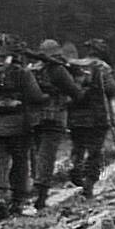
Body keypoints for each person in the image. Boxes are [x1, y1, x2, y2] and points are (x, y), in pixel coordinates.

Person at [0, 33, 45, 219]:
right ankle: (18, 200)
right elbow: (35, 96)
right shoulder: (23, 72)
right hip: (18, 126)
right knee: (20, 161)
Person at [28, 39, 82, 211]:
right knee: (47, 155)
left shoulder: (33, 69)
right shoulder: (58, 69)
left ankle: (37, 187)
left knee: (38, 153)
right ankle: (41, 192)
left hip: (35, 118)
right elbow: (75, 93)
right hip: (55, 116)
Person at [67, 38, 115, 199]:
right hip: (97, 116)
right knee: (95, 152)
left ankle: (75, 169)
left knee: (78, 147)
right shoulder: (101, 67)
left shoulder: (74, 65)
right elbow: (112, 89)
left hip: (75, 116)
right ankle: (89, 182)